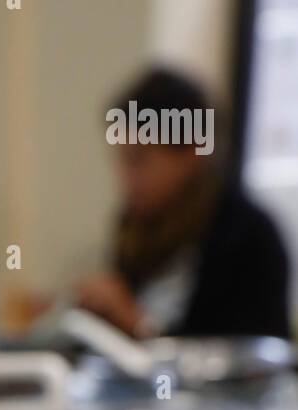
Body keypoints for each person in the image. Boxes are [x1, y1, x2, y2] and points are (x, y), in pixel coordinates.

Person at [75, 67, 292, 341]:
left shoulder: (249, 237)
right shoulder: (137, 228)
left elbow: (242, 363)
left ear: (191, 152)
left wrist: (135, 322)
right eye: (120, 160)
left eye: (138, 160)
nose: (125, 178)